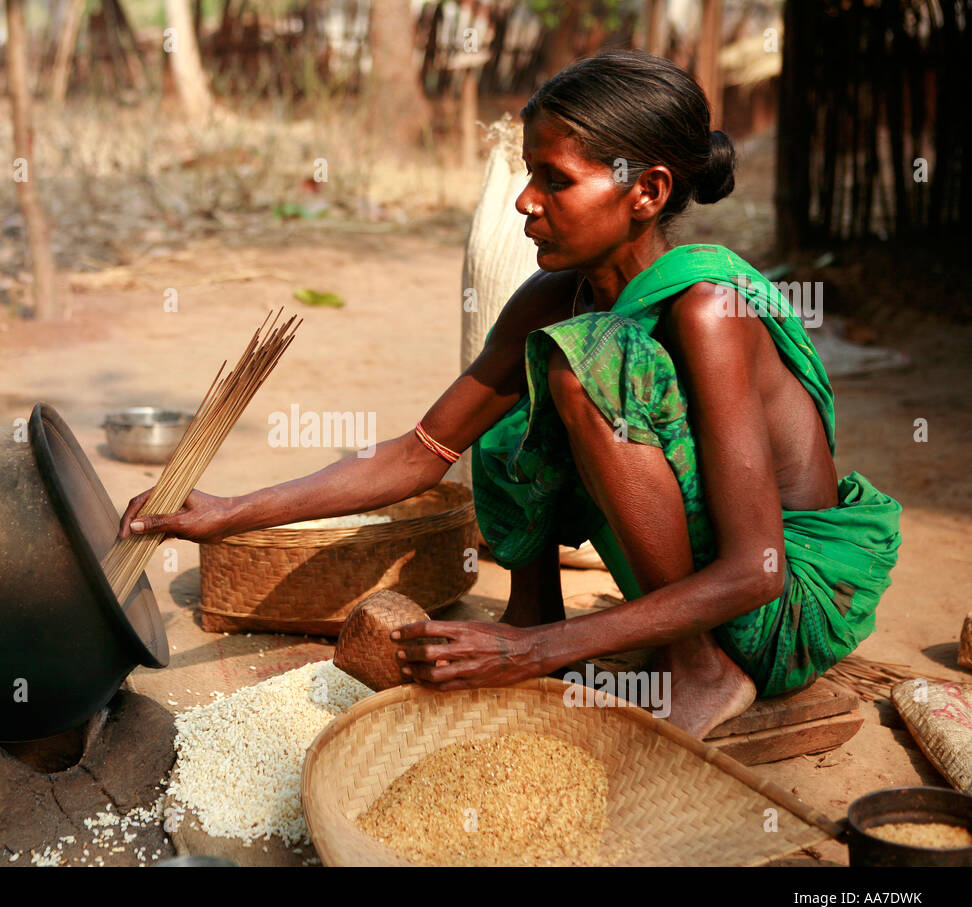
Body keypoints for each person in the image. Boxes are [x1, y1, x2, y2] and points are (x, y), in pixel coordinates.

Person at [118, 49, 902, 738]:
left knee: (574, 366)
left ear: (648, 191)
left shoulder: (707, 310)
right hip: (705, 584)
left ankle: (692, 667)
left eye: (554, 180)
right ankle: (536, 609)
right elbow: (421, 454)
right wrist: (225, 515)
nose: (526, 200)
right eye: (530, 174)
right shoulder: (552, 298)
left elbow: (756, 570)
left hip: (782, 608)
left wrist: (533, 656)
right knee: (525, 391)